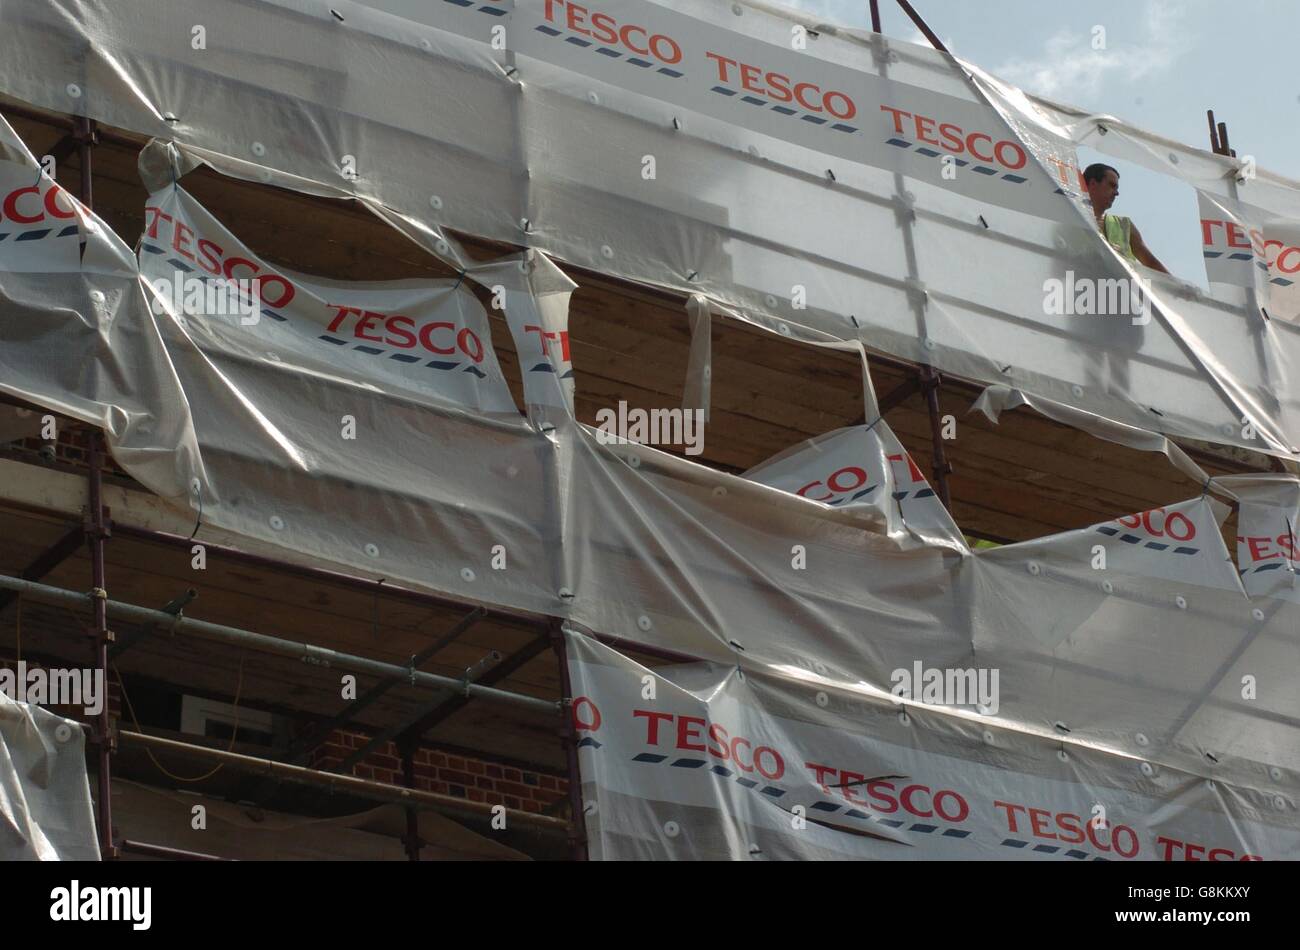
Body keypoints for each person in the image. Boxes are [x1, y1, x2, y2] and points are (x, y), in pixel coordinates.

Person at [1082, 163, 1170, 274]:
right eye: (1112, 185)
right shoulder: (1069, 215)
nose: (1116, 193)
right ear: (1093, 184)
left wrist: (1179, 289)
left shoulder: (1124, 226)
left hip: (1118, 289)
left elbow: (1151, 263)